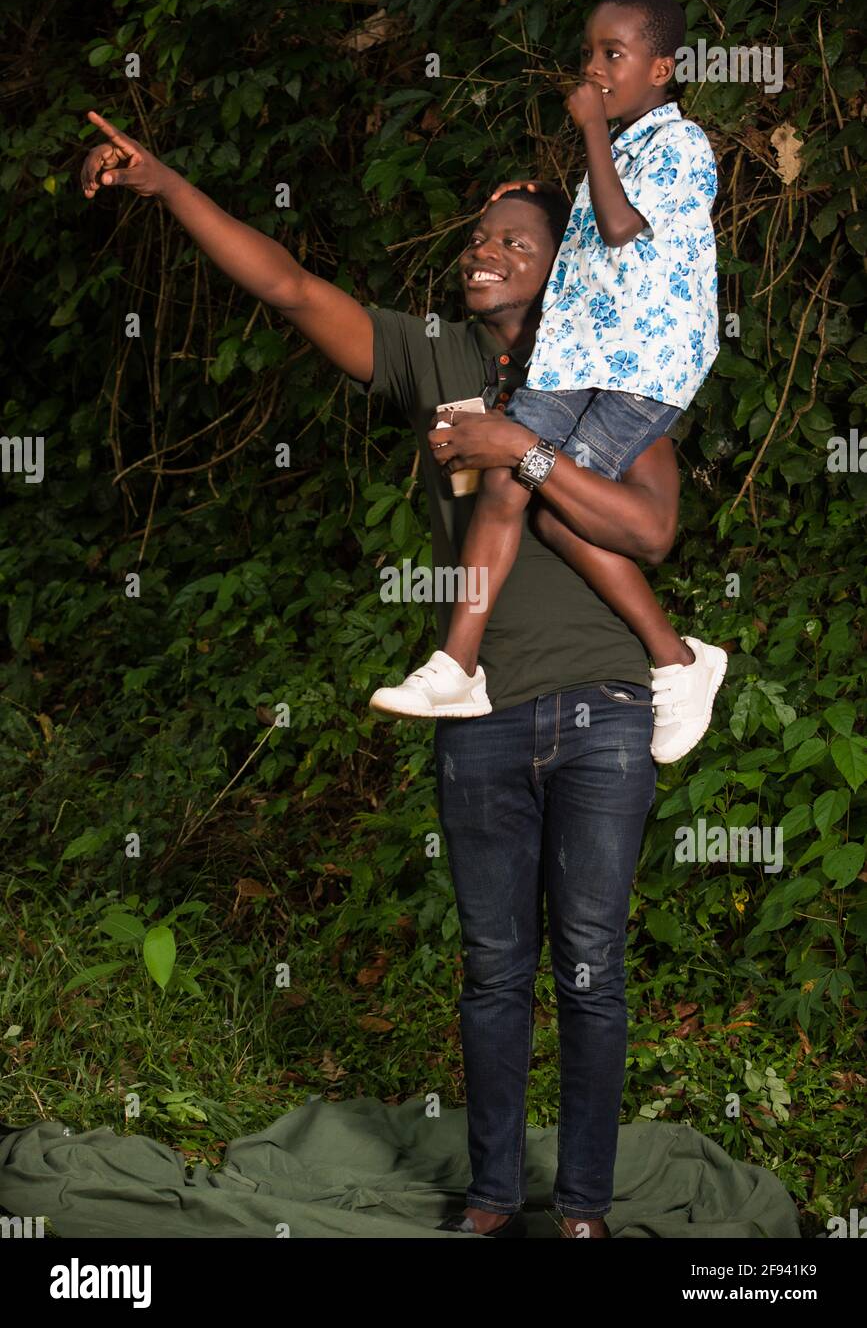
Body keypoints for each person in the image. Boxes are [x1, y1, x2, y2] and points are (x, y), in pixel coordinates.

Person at [80, 92, 684, 1238]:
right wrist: (165, 183)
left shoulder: (615, 362)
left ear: (563, 269)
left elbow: (650, 534)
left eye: (516, 239)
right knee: (496, 966)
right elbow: (289, 288)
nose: (486, 250)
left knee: (591, 968)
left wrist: (525, 450)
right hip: (480, 710)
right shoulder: (437, 353)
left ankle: (589, 1209)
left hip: (604, 701)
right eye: (479, 236)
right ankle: (498, 1198)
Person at [369, 0, 727, 766]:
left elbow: (621, 228)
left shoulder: (680, 145)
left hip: (642, 367)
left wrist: (593, 131)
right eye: (588, 54)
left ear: (661, 68)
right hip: (578, 354)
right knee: (506, 489)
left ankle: (678, 661)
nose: (594, 68)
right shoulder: (620, 145)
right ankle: (457, 668)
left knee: (557, 512)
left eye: (614, 55)